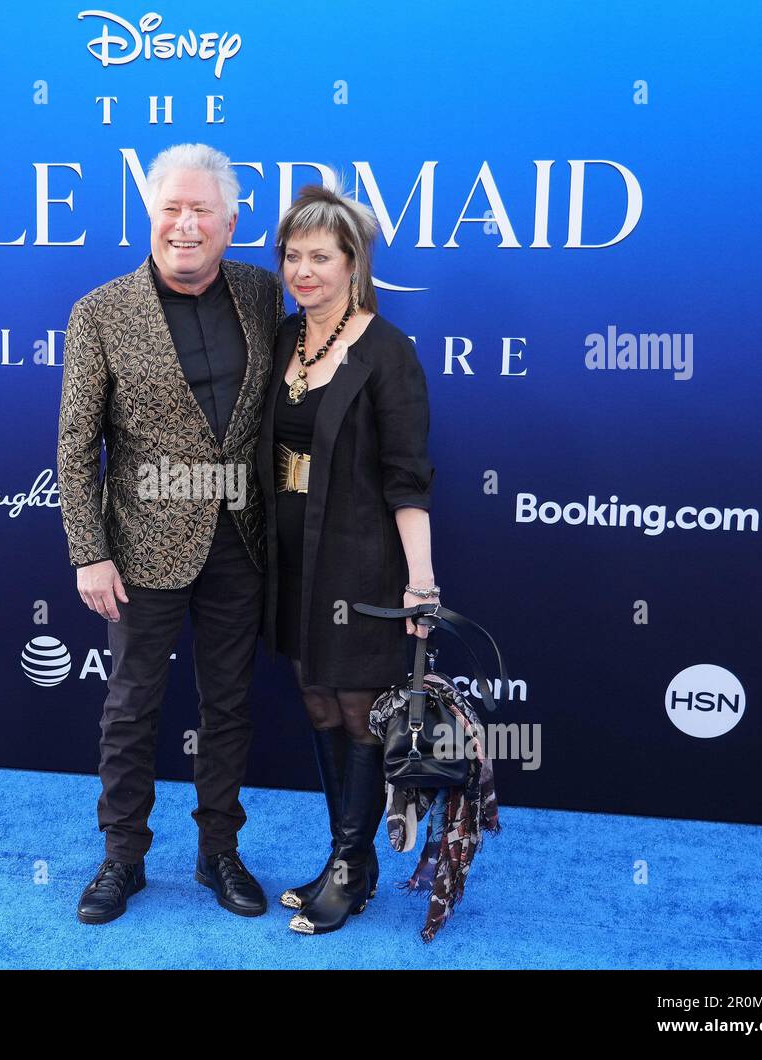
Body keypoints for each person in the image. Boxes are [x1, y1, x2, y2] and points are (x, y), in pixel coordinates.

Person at [57, 143, 285, 925]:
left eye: (201, 212)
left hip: (241, 541)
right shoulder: (100, 311)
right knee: (131, 706)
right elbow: (75, 442)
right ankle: (122, 858)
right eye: (170, 210)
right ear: (149, 216)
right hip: (142, 542)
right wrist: (89, 551)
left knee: (228, 704)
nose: (184, 226)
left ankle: (219, 851)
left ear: (230, 221)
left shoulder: (261, 293)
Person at [256, 184, 438, 935]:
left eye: (320, 257)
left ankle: (350, 866)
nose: (303, 271)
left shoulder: (387, 353)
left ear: (353, 263)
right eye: (292, 256)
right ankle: (347, 857)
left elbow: (408, 478)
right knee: (318, 702)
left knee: (362, 710)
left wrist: (420, 583)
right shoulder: (282, 341)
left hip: (363, 565)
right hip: (292, 561)